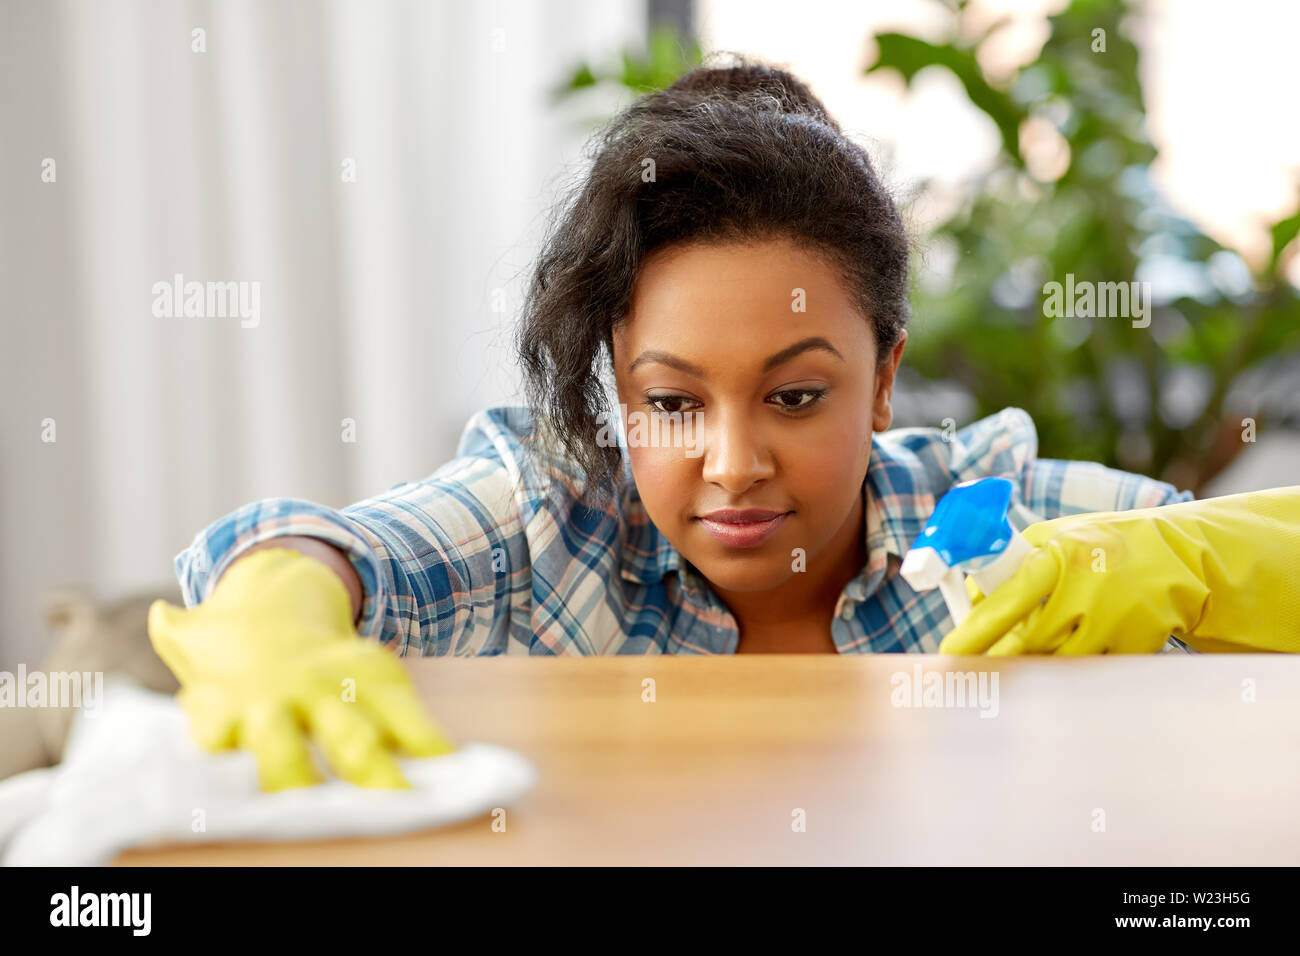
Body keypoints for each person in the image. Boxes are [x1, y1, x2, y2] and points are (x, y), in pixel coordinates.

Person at [148, 56, 1300, 792]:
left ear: (885, 377)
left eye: (796, 395)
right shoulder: (555, 522)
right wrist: (279, 602)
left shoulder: (988, 514)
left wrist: (1194, 563)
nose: (734, 465)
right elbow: (327, 553)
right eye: (672, 401)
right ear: (614, 383)